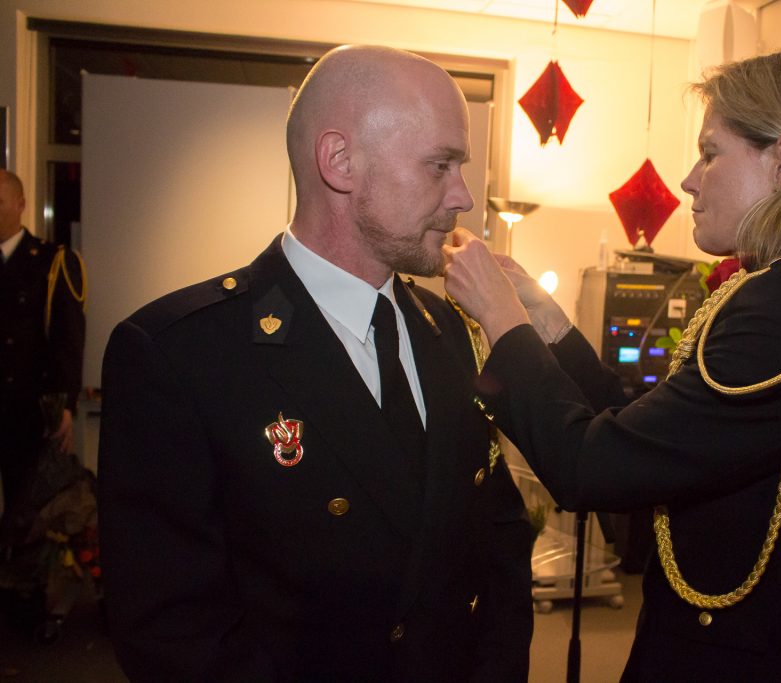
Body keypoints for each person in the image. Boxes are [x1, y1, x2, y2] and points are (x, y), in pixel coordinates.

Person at [444, 49, 781, 681]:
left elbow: (592, 467)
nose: (689, 180)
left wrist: (500, 322)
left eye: (710, 152)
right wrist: (541, 317)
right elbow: (639, 427)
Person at [98, 45, 533, 681]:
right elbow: (172, 630)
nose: (463, 196)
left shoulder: (451, 333)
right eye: (441, 165)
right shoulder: (181, 353)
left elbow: (496, 545)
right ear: (339, 162)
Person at [0, 169, 85, 544]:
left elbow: (68, 340)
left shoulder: (50, 261)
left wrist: (64, 404)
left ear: (20, 205)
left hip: (27, 410)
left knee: (27, 512)